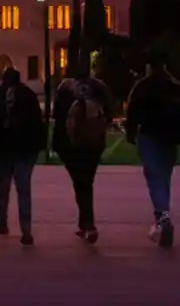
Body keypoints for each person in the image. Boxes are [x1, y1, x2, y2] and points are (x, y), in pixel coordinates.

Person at [125, 60, 180, 248]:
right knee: (164, 177)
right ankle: (162, 214)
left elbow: (132, 110)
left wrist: (130, 133)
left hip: (149, 135)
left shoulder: (143, 86)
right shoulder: (175, 87)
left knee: (154, 177)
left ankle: (162, 216)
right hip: (171, 138)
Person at [0, 68, 44, 245]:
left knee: (3, 187)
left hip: (3, 149)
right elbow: (37, 123)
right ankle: (26, 229)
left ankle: (2, 220)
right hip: (24, 149)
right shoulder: (29, 96)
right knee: (23, 189)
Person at [52, 63, 113, 243]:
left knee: (81, 183)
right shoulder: (99, 88)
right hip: (94, 144)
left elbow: (58, 117)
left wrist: (57, 144)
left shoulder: (64, 89)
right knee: (86, 182)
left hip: (71, 144)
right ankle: (85, 222)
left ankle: (88, 224)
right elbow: (108, 114)